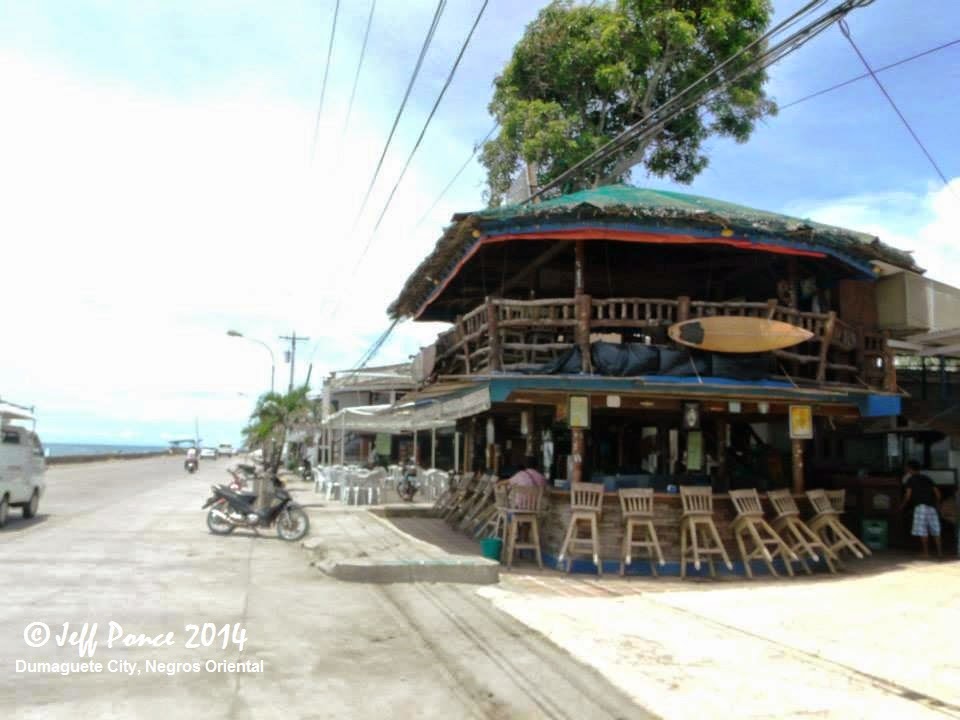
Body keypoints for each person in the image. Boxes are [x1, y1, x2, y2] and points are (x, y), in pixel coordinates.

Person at [899, 460, 942, 559]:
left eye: (906, 468)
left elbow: (908, 496)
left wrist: (902, 505)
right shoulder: (927, 478)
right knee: (936, 530)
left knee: (923, 530)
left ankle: (926, 553)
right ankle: (940, 552)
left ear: (909, 469)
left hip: (920, 507)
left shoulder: (910, 480)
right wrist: (937, 504)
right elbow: (938, 493)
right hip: (931, 507)